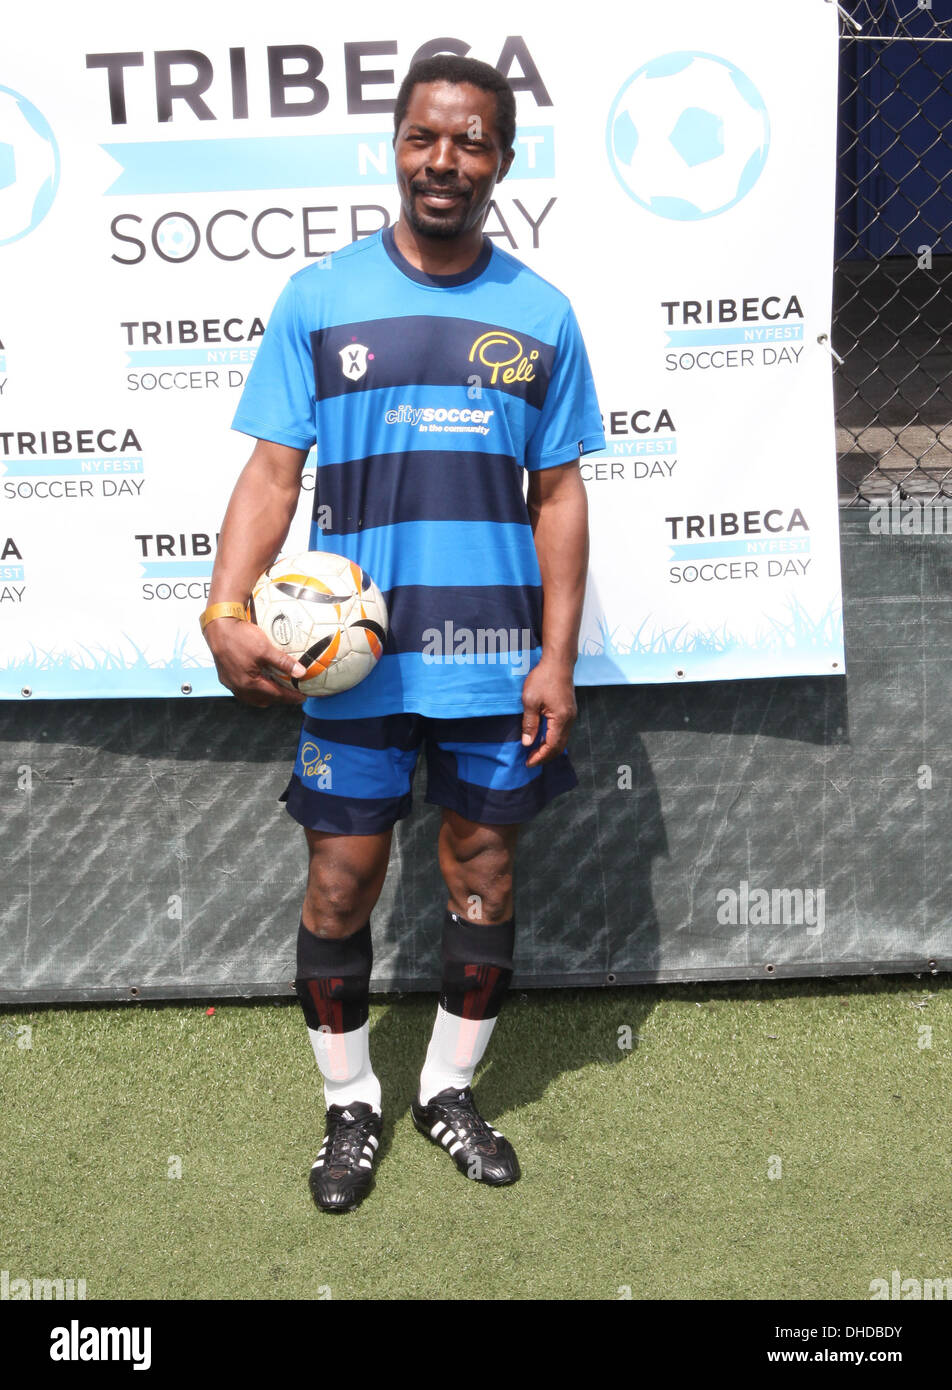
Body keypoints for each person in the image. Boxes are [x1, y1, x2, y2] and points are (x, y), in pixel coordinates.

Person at [201, 54, 605, 1213]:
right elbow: (273, 471)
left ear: (502, 161)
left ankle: (445, 1089)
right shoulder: (321, 296)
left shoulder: (541, 314)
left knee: (482, 870)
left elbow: (562, 495)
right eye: (426, 137)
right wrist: (226, 605)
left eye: (470, 141)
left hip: (492, 656)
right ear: (394, 145)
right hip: (353, 662)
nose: (445, 161)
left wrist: (557, 659)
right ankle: (350, 1107)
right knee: (341, 879)